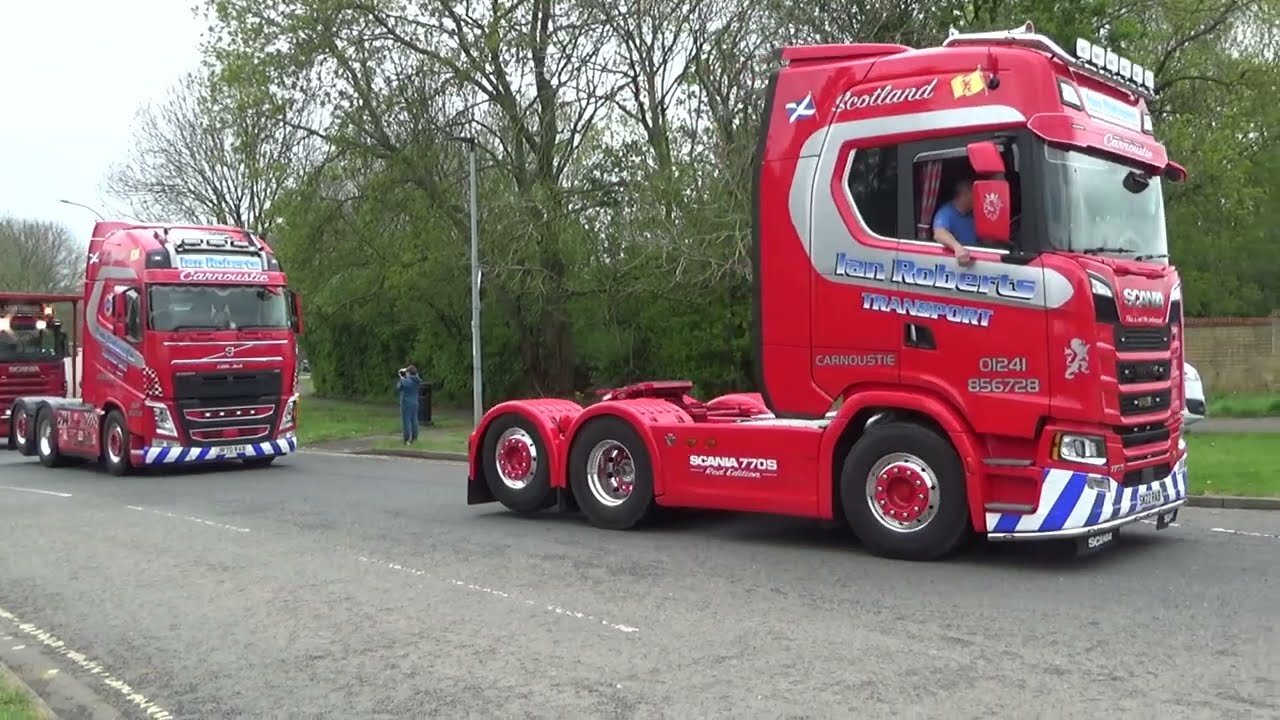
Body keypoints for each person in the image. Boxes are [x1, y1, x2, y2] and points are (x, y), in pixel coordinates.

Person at [932, 178, 977, 267]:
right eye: (974, 194)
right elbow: (939, 233)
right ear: (964, 195)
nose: (978, 198)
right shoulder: (946, 213)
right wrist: (958, 248)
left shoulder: (974, 213)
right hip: (958, 264)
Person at [396, 365, 423, 445]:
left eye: (407, 372)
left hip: (406, 403)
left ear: (409, 373)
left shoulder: (405, 381)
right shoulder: (417, 381)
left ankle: (407, 439)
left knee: (406, 421)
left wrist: (401, 379)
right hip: (415, 403)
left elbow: (398, 388)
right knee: (414, 420)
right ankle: (415, 438)